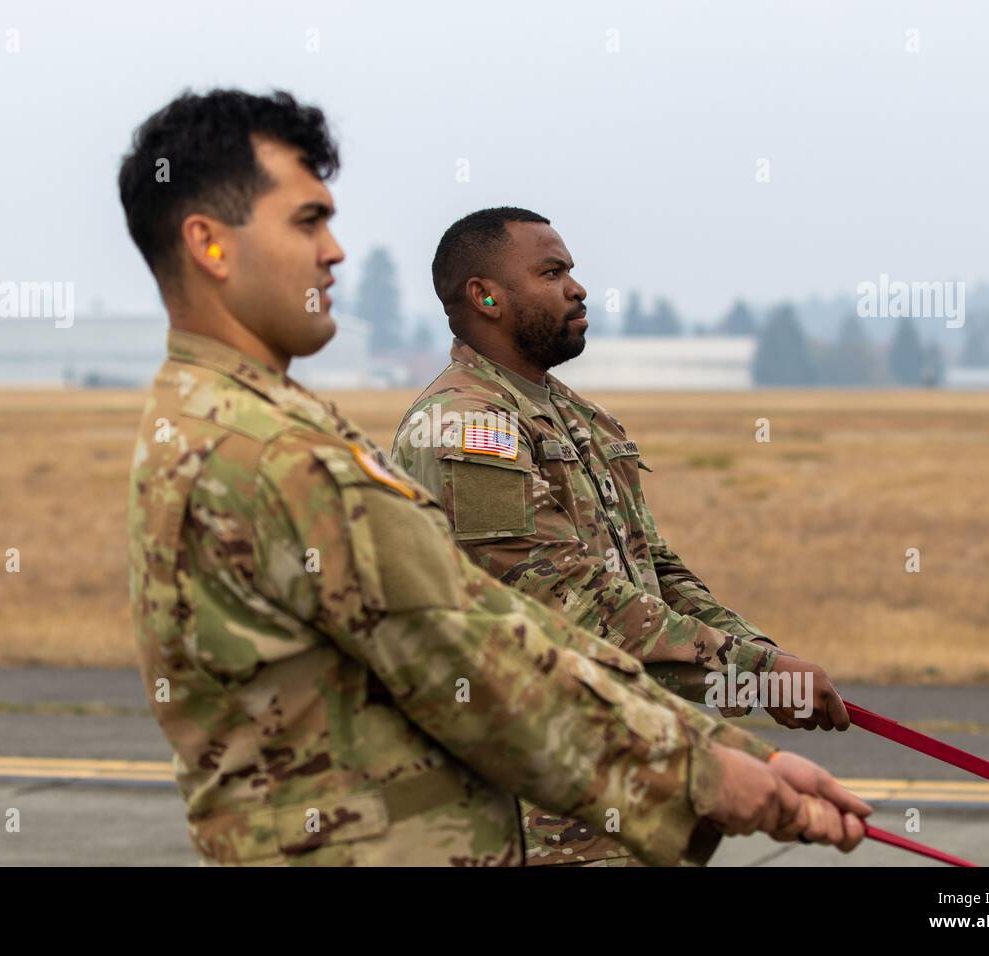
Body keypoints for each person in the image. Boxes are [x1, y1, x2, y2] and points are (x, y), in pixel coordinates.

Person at [120, 89, 869, 866]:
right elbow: (478, 650)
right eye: (308, 221)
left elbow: (505, 613)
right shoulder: (278, 454)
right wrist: (709, 768)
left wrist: (734, 739)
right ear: (210, 244)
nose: (335, 251)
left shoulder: (222, 419)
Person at [391, 207, 853, 864]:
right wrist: (754, 673)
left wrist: (762, 660)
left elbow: (652, 571)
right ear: (485, 297)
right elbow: (564, 599)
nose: (577, 288)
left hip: (616, 787)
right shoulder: (466, 427)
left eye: (573, 271)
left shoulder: (582, 418)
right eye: (552, 272)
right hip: (523, 813)